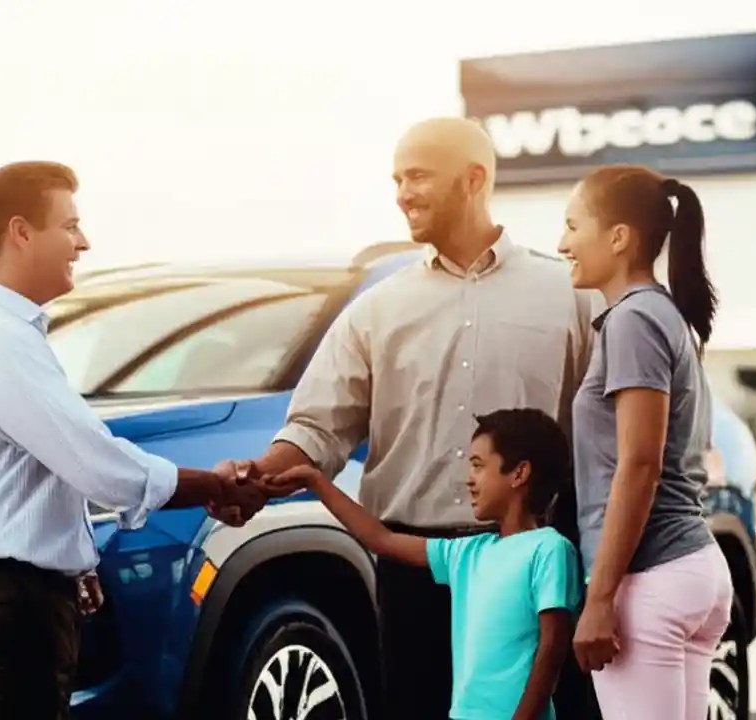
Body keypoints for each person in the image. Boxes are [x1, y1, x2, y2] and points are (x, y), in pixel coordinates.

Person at [221, 116, 602, 718]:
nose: (402, 193)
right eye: (397, 178)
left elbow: (608, 439)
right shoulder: (377, 310)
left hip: (534, 568)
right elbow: (317, 429)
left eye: (418, 175)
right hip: (413, 572)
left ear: (474, 179)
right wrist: (253, 478)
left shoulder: (572, 297)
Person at [0, 160, 271, 720]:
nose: (83, 243)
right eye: (70, 226)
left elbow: (44, 464)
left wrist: (73, 563)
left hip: (5, 595)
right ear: (21, 232)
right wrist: (209, 485)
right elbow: (94, 463)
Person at [266, 408, 580, 720]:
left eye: (478, 466)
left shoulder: (549, 548)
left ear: (519, 473)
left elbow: (552, 647)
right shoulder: (467, 553)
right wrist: (318, 483)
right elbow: (381, 539)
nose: (469, 480)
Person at [559, 164, 733, 719]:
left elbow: (640, 465)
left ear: (618, 237)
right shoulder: (662, 315)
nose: (562, 244)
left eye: (572, 226)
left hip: (651, 577)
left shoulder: (634, 321)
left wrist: (602, 597)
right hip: (688, 568)